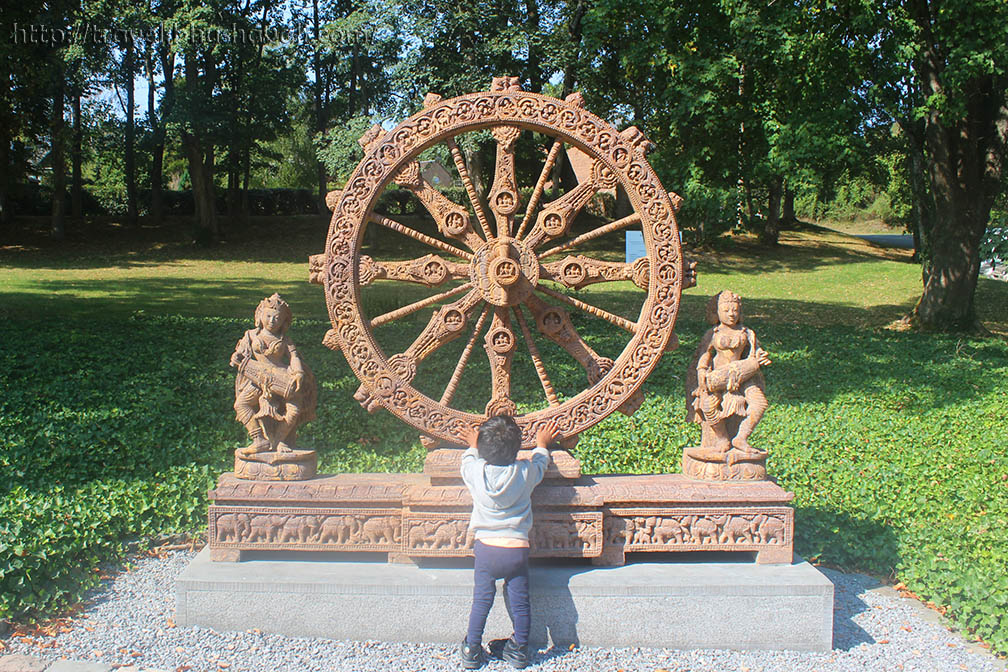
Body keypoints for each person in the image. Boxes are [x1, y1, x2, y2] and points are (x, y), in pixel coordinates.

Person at [459, 416, 559, 669]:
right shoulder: (524, 473)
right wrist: (542, 443)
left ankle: (472, 649)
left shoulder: (475, 473)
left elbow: (468, 461)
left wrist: (472, 445)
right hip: (516, 549)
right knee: (520, 600)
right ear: (516, 448)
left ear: (483, 448)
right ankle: (519, 649)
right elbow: (540, 462)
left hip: (486, 549)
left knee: (482, 599)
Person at [687, 290, 770, 462]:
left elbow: (754, 352)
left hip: (743, 375)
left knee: (760, 404)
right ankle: (722, 438)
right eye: (726, 310)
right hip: (718, 375)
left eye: (735, 310)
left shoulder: (747, 333)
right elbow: (705, 354)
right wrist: (702, 370)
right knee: (708, 405)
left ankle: (741, 437)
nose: (731, 314)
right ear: (717, 312)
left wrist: (760, 357)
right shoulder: (713, 333)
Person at [230, 293, 317, 455]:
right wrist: (236, 357)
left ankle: (279, 440)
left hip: (281, 378)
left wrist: (298, 372)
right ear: (260, 315)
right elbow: (240, 354)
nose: (272, 321)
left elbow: (294, 357)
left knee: (294, 410)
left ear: (284, 321)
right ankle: (259, 439)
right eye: (268, 316)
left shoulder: (285, 339)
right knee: (241, 405)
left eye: (277, 318)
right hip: (258, 378)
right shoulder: (251, 335)